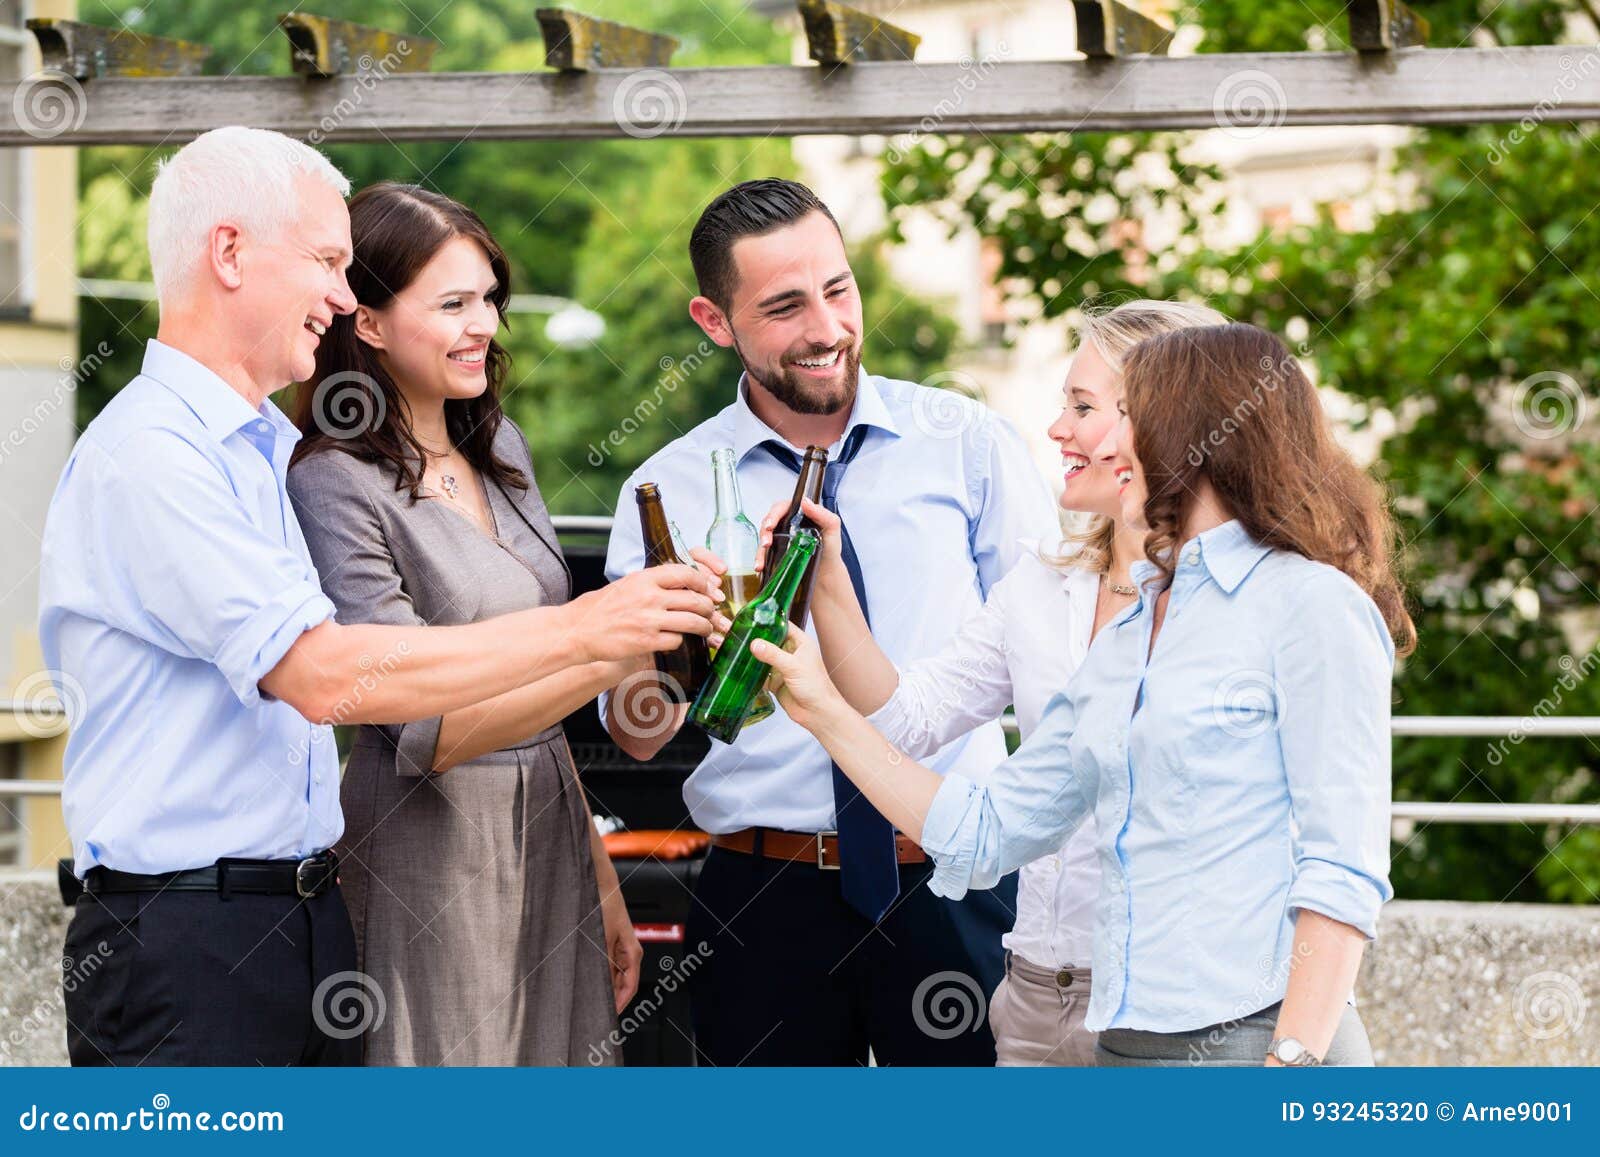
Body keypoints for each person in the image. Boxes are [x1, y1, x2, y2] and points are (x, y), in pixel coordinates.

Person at [38, 128, 718, 1067]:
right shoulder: (157, 457)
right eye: (325, 261)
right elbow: (325, 675)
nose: (340, 293)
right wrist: (593, 627)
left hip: (300, 916)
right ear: (229, 252)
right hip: (191, 938)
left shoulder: (263, 453)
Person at [756, 322, 1414, 1067]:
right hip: (1123, 1047)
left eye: (1124, 414)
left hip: (1260, 1040)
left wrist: (1286, 1067)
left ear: (1197, 432)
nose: (1095, 443)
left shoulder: (1311, 605)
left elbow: (1342, 870)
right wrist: (819, 706)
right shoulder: (1134, 633)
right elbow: (984, 829)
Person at [601, 178, 1058, 1066]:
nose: (826, 327)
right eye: (783, 306)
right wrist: (674, 659)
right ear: (713, 320)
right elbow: (636, 735)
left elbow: (1057, 671)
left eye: (837, 289)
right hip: (760, 895)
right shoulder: (669, 488)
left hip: (957, 878)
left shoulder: (969, 444)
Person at [752, 299, 1226, 1065]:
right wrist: (829, 583)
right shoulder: (1040, 585)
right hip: (1038, 992)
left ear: (1160, 420)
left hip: (1174, 1000)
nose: (1056, 429)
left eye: (1082, 407)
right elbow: (909, 718)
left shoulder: (1240, 604)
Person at [285, 182, 649, 1065]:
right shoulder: (332, 480)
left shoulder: (503, 448)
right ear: (367, 323)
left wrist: (603, 883)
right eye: (451, 303)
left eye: (489, 297)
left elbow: (541, 681)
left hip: (554, 829)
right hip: (426, 843)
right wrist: (611, 643)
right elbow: (425, 729)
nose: (483, 321)